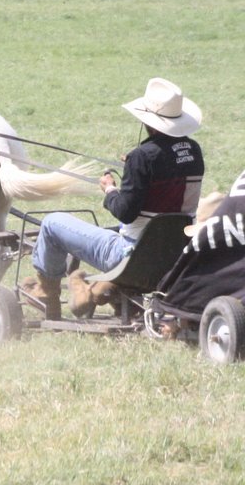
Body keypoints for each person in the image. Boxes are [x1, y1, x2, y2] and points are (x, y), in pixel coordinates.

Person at [31, 78, 204, 319]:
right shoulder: (194, 151)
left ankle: (47, 295)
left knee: (52, 223)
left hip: (131, 258)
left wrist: (110, 189)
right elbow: (167, 178)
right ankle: (103, 290)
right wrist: (134, 168)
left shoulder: (142, 157)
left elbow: (125, 212)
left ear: (147, 120)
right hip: (175, 255)